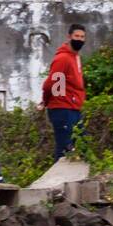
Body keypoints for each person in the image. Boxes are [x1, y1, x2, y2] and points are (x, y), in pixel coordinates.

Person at [39, 23, 86, 159]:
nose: (80, 39)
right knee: (65, 149)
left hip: (73, 108)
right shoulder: (63, 58)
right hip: (63, 108)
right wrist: (45, 101)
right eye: (77, 36)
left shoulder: (75, 57)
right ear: (69, 37)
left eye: (82, 37)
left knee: (80, 145)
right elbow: (52, 84)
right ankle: (57, 179)